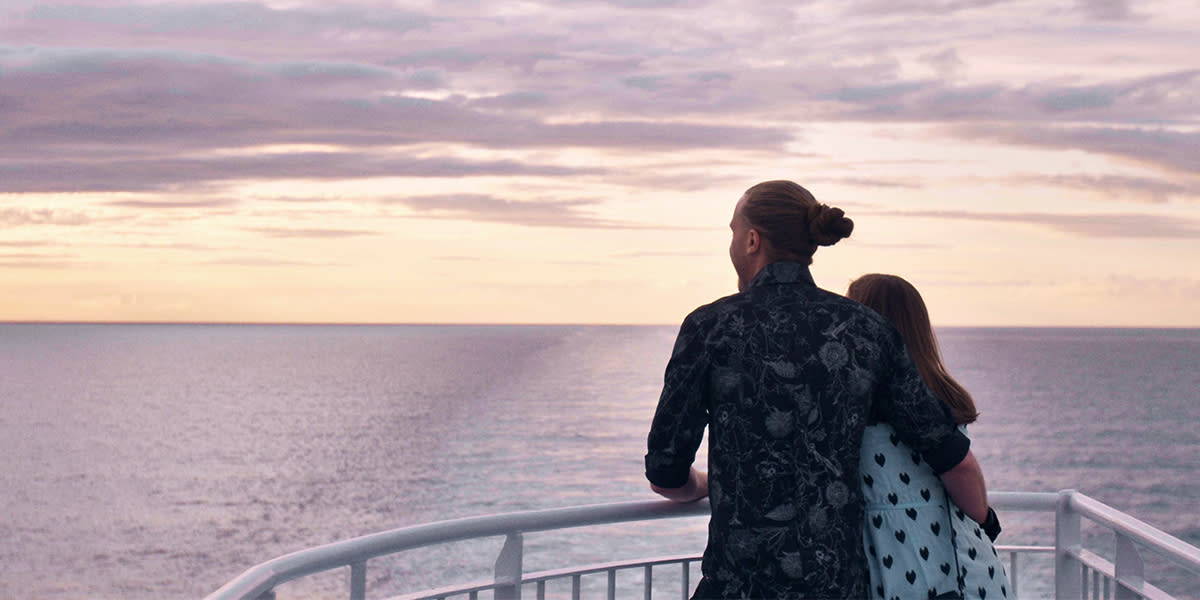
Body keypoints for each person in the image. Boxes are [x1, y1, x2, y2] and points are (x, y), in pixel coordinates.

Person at [644, 180, 992, 599]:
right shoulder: (866, 329)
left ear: (752, 240)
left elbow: (665, 472)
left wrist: (700, 485)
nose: (733, 243)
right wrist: (984, 525)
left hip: (739, 586)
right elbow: (949, 454)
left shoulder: (710, 327)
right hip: (838, 587)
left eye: (733, 231)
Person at [848, 274, 1007, 599]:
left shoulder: (852, 400)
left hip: (910, 570)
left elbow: (959, 467)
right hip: (961, 564)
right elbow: (965, 474)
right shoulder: (941, 394)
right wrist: (985, 519)